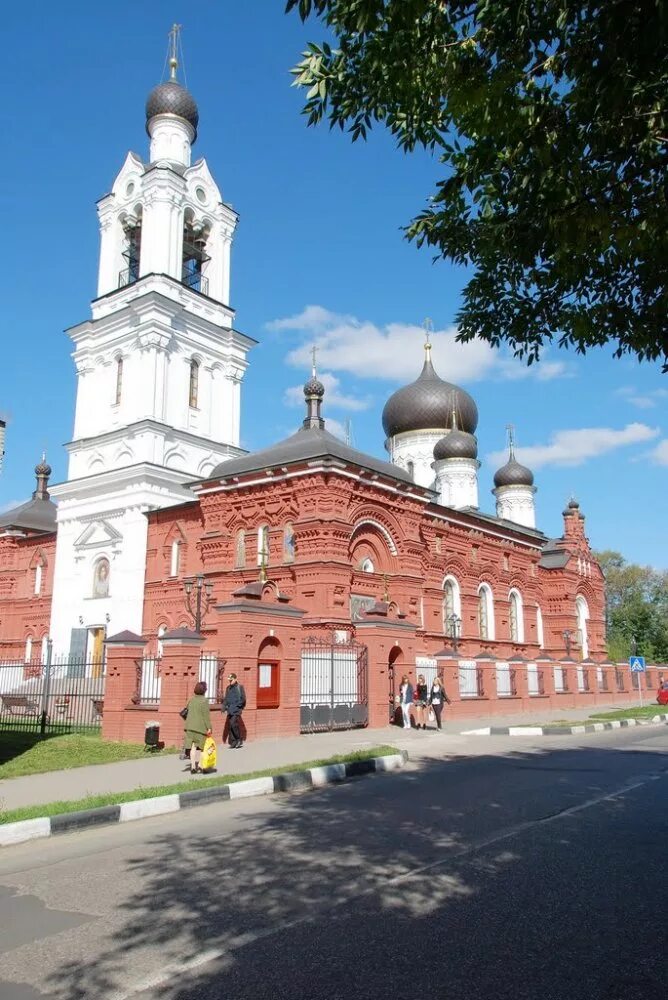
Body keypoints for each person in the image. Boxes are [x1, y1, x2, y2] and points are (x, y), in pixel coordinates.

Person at [183, 681, 212, 774]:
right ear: (204, 690)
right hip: (200, 728)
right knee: (202, 748)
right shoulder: (204, 701)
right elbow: (206, 717)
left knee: (192, 748)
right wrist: (209, 728)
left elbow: (186, 711)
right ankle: (199, 765)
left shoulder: (191, 700)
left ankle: (192, 767)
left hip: (190, 727)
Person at [222, 672, 247, 748]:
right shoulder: (228, 688)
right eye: (229, 680)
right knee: (230, 726)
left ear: (235, 679)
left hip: (236, 710)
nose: (230, 681)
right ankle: (233, 741)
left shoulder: (240, 687)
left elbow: (243, 699)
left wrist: (238, 706)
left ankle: (239, 739)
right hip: (230, 710)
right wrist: (224, 706)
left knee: (233, 724)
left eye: (231, 680)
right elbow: (226, 698)